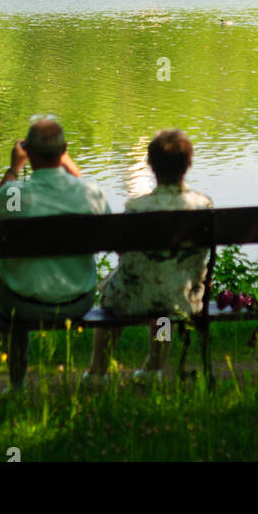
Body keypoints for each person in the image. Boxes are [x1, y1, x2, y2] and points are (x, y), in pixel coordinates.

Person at [0, 115, 108, 388]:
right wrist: (69, 166)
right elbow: (100, 211)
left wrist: (13, 170)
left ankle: (16, 384)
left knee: (9, 280)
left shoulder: (16, 195)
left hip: (22, 306)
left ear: (27, 152)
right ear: (64, 149)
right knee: (13, 279)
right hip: (78, 301)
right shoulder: (88, 192)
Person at [87, 128, 212, 382]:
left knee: (112, 295)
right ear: (188, 165)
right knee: (164, 308)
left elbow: (123, 251)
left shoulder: (137, 208)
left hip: (131, 298)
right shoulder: (203, 205)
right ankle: (154, 368)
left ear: (151, 166)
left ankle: (98, 372)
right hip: (184, 297)